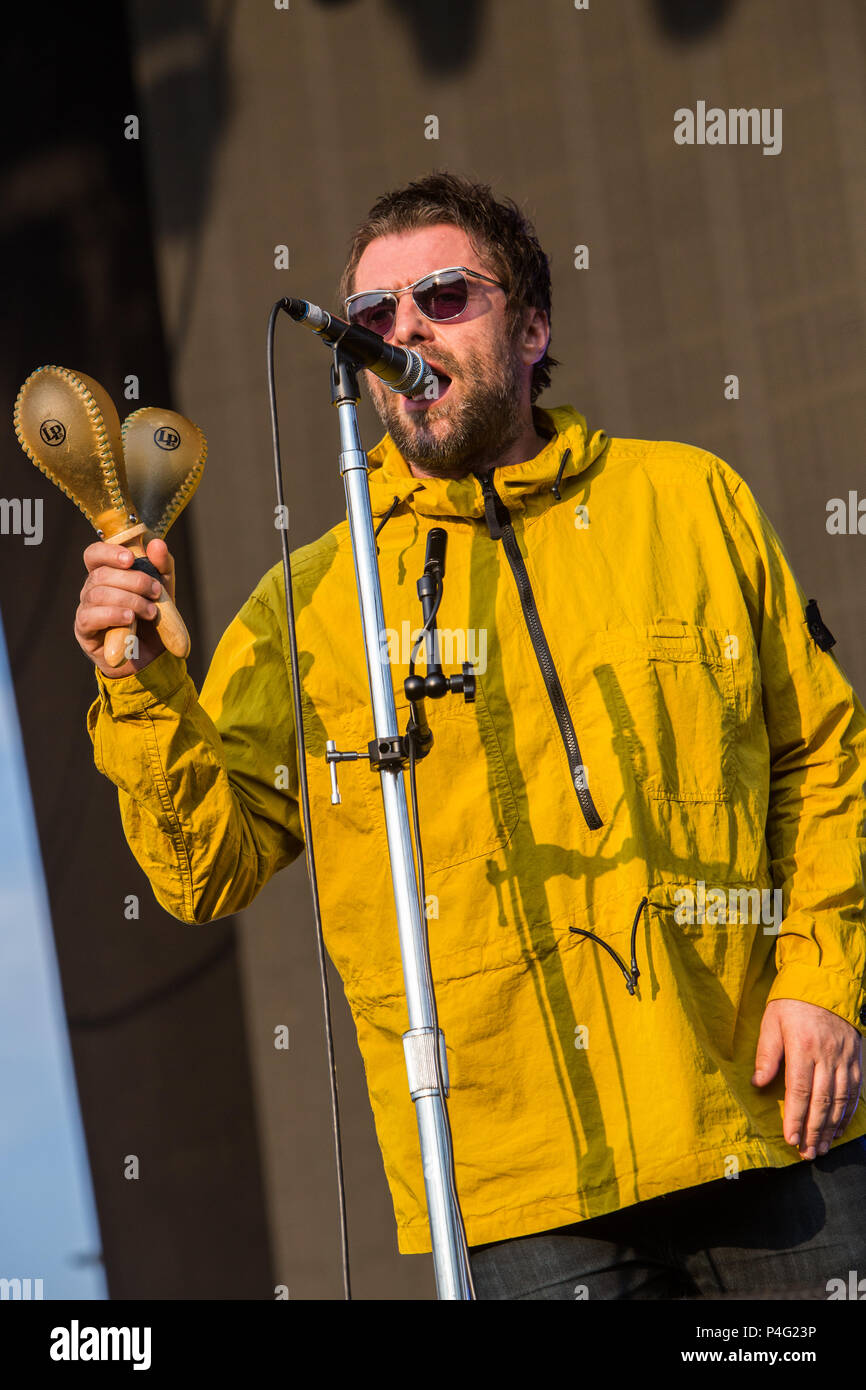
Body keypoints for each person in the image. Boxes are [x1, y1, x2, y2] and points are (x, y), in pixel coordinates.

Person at [76, 172, 866, 1299]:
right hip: (511, 1187)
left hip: (768, 1114)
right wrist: (142, 688)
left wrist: (823, 981)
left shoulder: (689, 501)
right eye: (372, 320)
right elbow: (206, 872)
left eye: (442, 296)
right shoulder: (311, 605)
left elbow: (822, 757)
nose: (404, 331)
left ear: (531, 324)